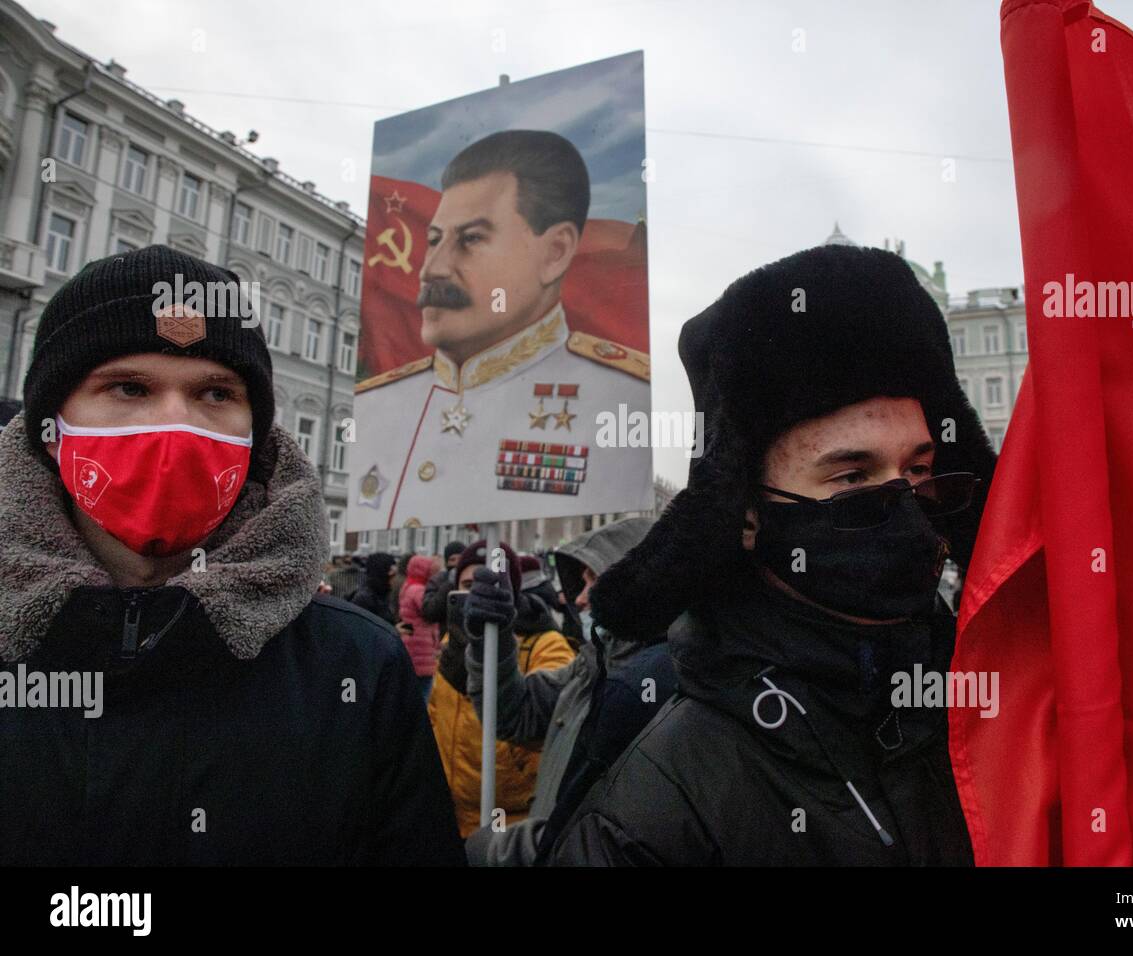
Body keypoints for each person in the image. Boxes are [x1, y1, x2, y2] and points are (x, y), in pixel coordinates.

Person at [0, 245, 463, 865]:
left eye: (215, 393)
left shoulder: (358, 665)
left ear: (254, 429)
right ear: (52, 424)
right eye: (128, 387)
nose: (176, 424)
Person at [547, 244, 996, 866]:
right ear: (749, 515)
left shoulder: (1001, 716)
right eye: (851, 478)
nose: (907, 511)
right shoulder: (657, 810)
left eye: (920, 471)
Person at [348, 130, 653, 528]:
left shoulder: (624, 399)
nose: (431, 268)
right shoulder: (375, 404)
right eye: (434, 240)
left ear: (556, 252)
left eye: (471, 239)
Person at [457, 516, 677, 866]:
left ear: (639, 585)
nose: (580, 598)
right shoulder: (596, 661)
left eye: (594, 581)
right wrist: (491, 638)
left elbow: (592, 837)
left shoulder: (653, 688)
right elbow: (514, 715)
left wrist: (488, 849)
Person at [427, 539, 575, 838]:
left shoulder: (546, 645)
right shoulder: (449, 645)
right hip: (450, 817)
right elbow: (434, 718)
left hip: (510, 823)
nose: (476, 594)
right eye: (467, 584)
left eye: (488, 582)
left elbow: (552, 733)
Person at [398, 554, 442, 701]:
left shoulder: (408, 586)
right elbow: (430, 611)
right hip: (421, 650)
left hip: (413, 646)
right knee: (422, 696)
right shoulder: (418, 589)